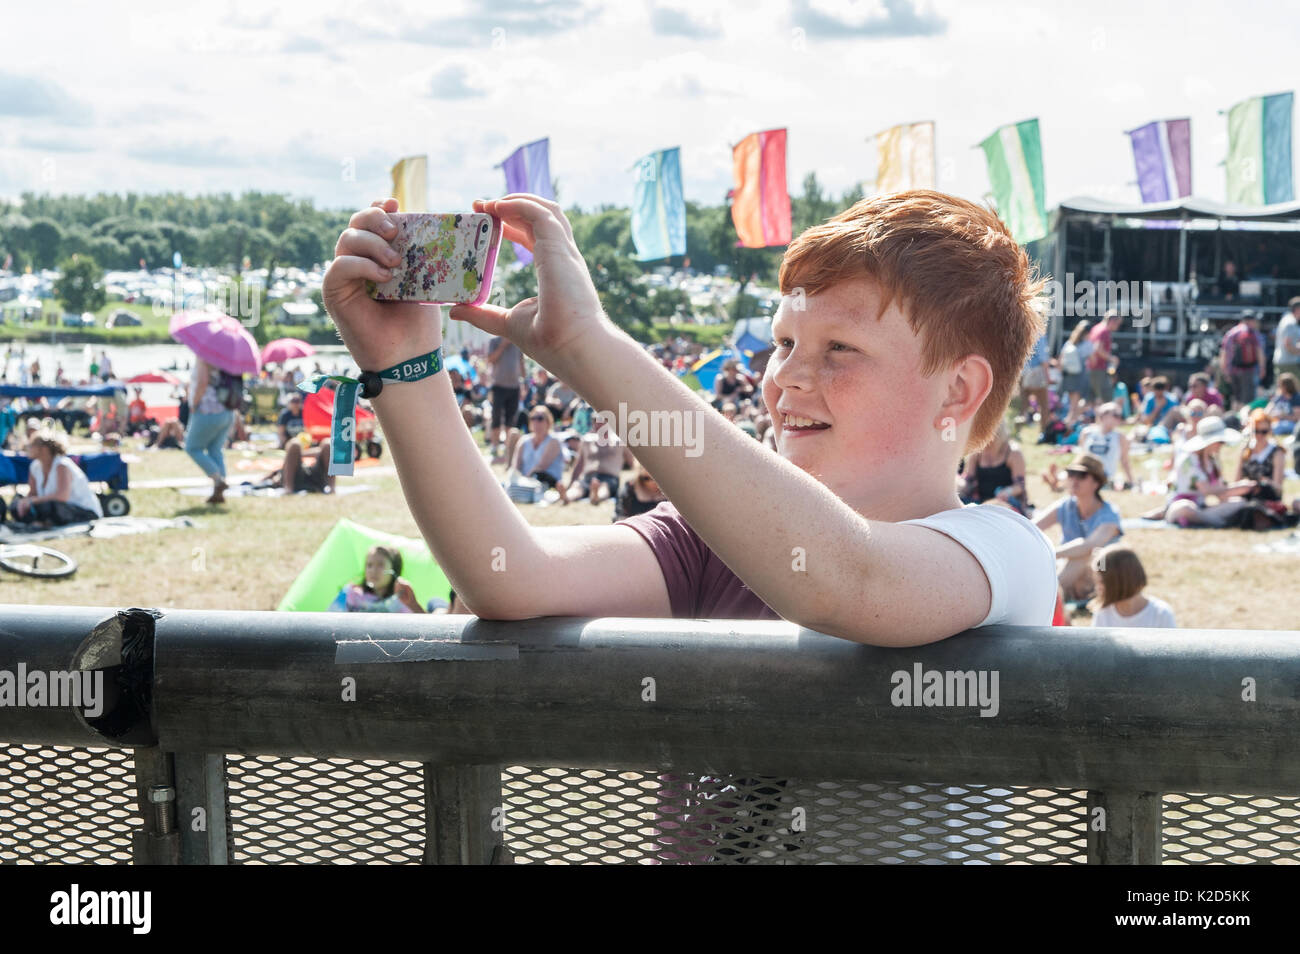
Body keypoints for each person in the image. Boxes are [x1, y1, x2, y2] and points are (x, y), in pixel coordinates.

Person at [321, 188, 1057, 649]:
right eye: (784, 343)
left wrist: (588, 345)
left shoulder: (1004, 551)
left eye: (840, 350)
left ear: (959, 393)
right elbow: (507, 575)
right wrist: (403, 368)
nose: (789, 376)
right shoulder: (711, 543)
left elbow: (846, 581)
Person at [1033, 454, 1122, 602]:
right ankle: (1048, 596)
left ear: (1096, 483)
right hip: (1069, 570)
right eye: (1071, 474)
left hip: (1102, 574)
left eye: (1081, 475)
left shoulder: (1109, 514)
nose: (1074, 480)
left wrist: (1049, 554)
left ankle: (1045, 598)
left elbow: (1089, 546)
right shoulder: (1065, 506)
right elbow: (1031, 528)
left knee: (1086, 555)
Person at [1163, 417, 1252, 528]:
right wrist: (1237, 487)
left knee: (1239, 503)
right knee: (1185, 507)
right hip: (1180, 507)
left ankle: (1207, 519)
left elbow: (1221, 494)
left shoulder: (1212, 462)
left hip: (1201, 507)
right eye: (1220, 441)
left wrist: (1242, 490)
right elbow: (1206, 490)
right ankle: (1217, 522)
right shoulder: (1189, 460)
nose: (1222, 445)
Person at [5, 430, 104, 528]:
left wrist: (32, 501)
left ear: (44, 449)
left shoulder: (62, 465)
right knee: (16, 505)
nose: (28, 448)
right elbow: (33, 494)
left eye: (32, 445)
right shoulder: (35, 466)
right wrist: (25, 502)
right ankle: (40, 522)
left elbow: (62, 496)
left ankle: (42, 522)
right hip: (56, 507)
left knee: (49, 506)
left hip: (82, 510)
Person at [1089, 545, 1176, 629]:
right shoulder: (1103, 614)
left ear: (1121, 582)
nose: (1097, 588)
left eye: (1102, 582)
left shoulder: (1161, 614)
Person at [958, 419, 1029, 516]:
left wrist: (1007, 492)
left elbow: (1020, 486)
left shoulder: (1013, 453)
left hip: (1005, 502)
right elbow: (969, 481)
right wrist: (959, 484)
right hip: (981, 502)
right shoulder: (976, 453)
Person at [328, 545, 426, 613]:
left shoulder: (400, 601)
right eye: (369, 565)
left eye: (380, 565)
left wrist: (413, 604)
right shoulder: (351, 593)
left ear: (394, 569)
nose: (373, 570)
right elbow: (330, 619)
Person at [559, 428, 634, 505]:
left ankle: (597, 497)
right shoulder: (587, 441)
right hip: (588, 476)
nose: (599, 424)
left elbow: (632, 463)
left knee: (604, 487)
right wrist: (571, 483)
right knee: (577, 486)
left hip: (609, 477)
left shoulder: (619, 441)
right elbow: (579, 465)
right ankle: (567, 497)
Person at [1076, 402, 1135, 490]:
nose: (1119, 418)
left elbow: (1125, 461)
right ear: (1103, 416)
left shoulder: (1120, 437)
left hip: (1105, 479)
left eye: (1120, 415)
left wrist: (1131, 482)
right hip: (1086, 476)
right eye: (1115, 415)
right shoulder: (1087, 433)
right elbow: (1081, 458)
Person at [487, 333, 526, 464]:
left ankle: (508, 448)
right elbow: (490, 359)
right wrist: (503, 345)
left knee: (511, 420)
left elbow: (521, 362)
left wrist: (524, 383)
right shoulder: (494, 341)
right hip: (498, 386)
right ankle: (494, 446)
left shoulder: (517, 341)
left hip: (514, 387)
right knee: (496, 417)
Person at [1235, 408, 1287, 502]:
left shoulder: (1277, 452)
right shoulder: (1246, 449)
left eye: (1264, 432)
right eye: (1256, 431)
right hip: (1247, 497)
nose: (1259, 435)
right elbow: (1236, 481)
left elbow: (1278, 488)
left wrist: (1264, 482)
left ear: (1270, 431)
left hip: (1268, 499)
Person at [510, 405, 565, 490]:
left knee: (538, 474)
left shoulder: (554, 441)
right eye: (533, 418)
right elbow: (515, 466)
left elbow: (541, 467)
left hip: (546, 481)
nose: (536, 422)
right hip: (526, 482)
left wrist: (524, 480)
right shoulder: (524, 440)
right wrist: (516, 479)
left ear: (548, 422)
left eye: (540, 418)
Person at [1221, 310, 1263, 410]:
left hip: (1233, 370)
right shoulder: (1253, 333)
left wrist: (1225, 371)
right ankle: (1243, 422)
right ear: (1252, 320)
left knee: (1236, 398)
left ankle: (1235, 420)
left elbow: (1224, 354)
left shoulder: (1231, 333)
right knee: (1248, 399)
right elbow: (1259, 352)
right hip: (1248, 371)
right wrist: (1262, 368)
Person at [268, 437, 336, 494]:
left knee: (328, 444)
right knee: (294, 445)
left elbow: (327, 449)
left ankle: (331, 488)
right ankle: (288, 489)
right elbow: (286, 447)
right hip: (296, 469)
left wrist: (300, 454)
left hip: (317, 469)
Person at [1085, 311, 1121, 404]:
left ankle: (1072, 417)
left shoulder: (1096, 328)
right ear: (1112, 321)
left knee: (1090, 400)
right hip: (1099, 369)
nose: (1118, 327)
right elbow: (1097, 349)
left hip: (1091, 368)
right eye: (1118, 323)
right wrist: (1112, 359)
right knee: (1107, 398)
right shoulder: (1104, 331)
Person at [1018, 332, 1050, 422]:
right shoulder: (1039, 334)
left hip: (1022, 372)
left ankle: (1020, 429)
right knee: (1043, 405)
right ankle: (1044, 431)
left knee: (1023, 404)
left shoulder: (1022, 331)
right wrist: (1048, 377)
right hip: (1036, 373)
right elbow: (1043, 358)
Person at [1274, 296, 1300, 383]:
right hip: (1288, 363)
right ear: (1297, 309)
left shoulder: (1290, 320)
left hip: (1288, 362)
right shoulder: (1290, 323)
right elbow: (1288, 345)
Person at [1264, 372, 1299, 436]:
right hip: (1275, 422)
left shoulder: (1296, 398)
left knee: (1278, 427)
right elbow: (1267, 411)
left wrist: (1283, 416)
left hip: (1290, 423)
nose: (1279, 387)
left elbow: (1297, 418)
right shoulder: (1279, 397)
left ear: (1286, 386)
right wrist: (1273, 415)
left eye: (1280, 385)